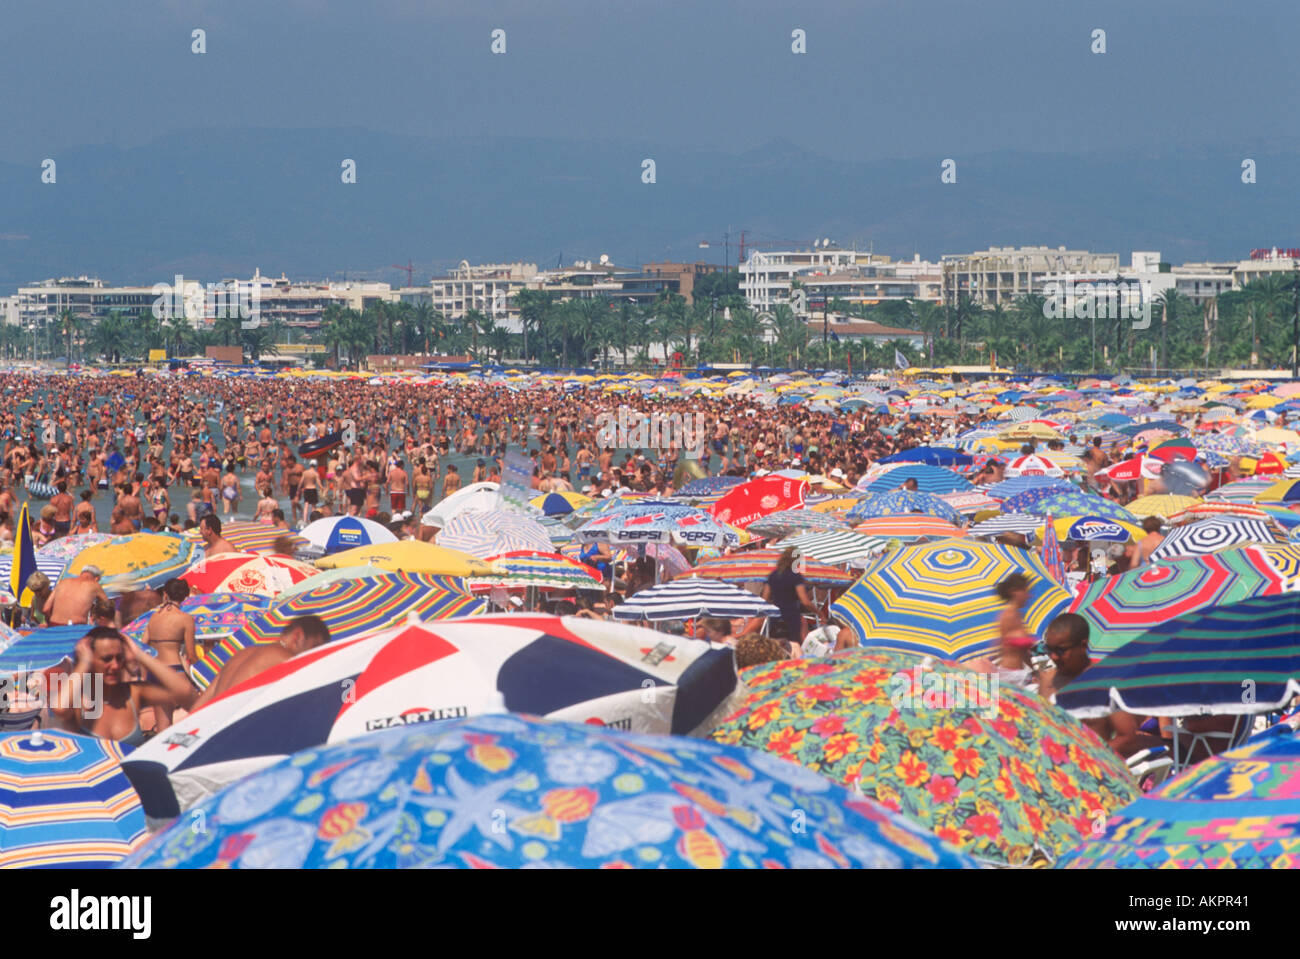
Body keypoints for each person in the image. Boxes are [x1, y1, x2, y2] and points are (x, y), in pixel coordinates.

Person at [1038, 613, 1159, 758]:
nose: (1053, 657)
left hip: (1088, 768)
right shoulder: (1047, 681)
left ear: (1083, 645)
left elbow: (1127, 738)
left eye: (1061, 650)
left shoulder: (1104, 682)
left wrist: (1085, 758)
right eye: (1049, 650)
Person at [51, 626, 197, 745]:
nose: (115, 666)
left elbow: (186, 693)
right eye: (107, 659)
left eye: (119, 658)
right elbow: (59, 708)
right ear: (90, 659)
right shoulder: (79, 699)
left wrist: (140, 655)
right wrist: (84, 663)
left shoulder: (133, 692)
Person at [189, 614, 331, 710]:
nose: (314, 654)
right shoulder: (284, 659)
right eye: (315, 647)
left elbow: (196, 710)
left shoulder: (241, 654)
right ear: (297, 636)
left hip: (208, 732)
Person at [142, 578, 198, 730]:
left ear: (165, 594)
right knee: (201, 712)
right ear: (185, 596)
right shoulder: (186, 619)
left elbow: (143, 643)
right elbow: (191, 655)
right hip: (174, 672)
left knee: (163, 727)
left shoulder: (153, 618)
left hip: (155, 674)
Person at [761, 547, 817, 649]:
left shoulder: (773, 575)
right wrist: (819, 613)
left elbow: (764, 598)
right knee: (793, 647)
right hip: (792, 617)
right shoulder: (796, 577)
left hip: (774, 617)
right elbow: (805, 602)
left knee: (775, 648)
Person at [995, 573, 1037, 685]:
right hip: (1010, 675)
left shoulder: (1017, 615)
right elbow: (1008, 646)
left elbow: (1024, 652)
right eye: (1025, 591)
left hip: (1016, 673)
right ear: (1014, 591)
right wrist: (1040, 670)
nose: (1029, 595)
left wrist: (1038, 670)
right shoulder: (1008, 616)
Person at [45, 565, 110, 626]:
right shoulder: (94, 585)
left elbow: (46, 609)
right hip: (76, 627)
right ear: (96, 579)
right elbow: (108, 607)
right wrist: (94, 617)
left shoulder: (62, 582)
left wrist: (50, 624)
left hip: (54, 625)